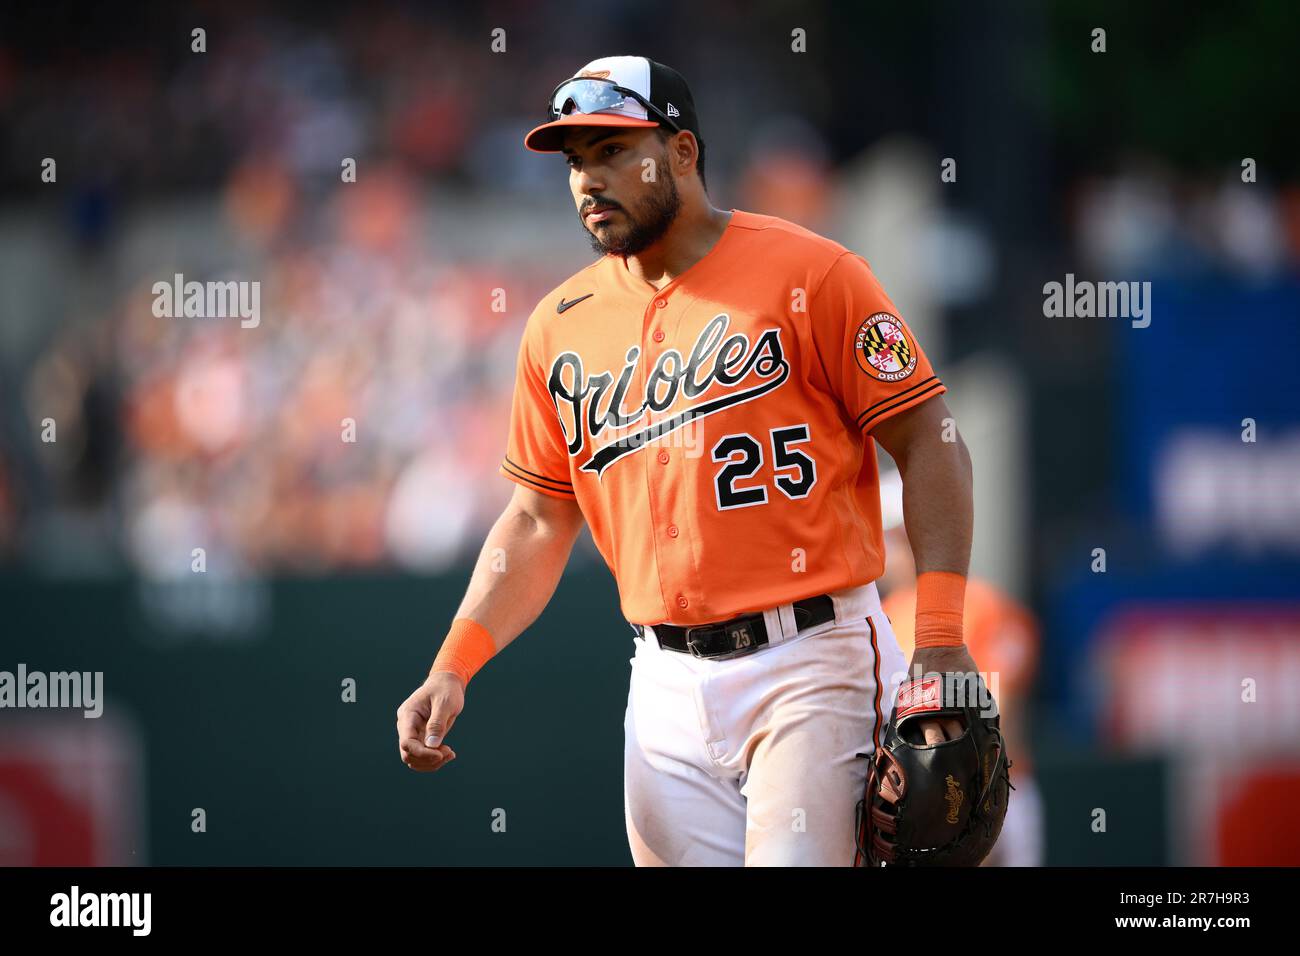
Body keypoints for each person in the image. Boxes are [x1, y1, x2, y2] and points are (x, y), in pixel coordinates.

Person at [396, 55, 979, 866]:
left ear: (681, 152)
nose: (587, 180)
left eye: (611, 151)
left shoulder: (813, 274)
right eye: (575, 160)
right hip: (662, 682)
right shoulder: (558, 325)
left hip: (809, 663)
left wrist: (942, 637)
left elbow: (932, 441)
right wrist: (454, 665)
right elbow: (536, 519)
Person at [876, 470, 1045, 866]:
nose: (894, 547)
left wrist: (975, 797)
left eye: (898, 535)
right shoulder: (881, 616)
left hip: (991, 791)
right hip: (915, 805)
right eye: (890, 537)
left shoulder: (982, 605)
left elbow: (998, 708)